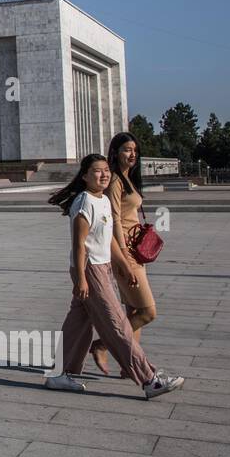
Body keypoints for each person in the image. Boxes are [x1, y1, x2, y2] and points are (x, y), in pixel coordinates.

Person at [44, 153, 184, 400]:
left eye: (106, 170)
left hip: (103, 267)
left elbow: (107, 239)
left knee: (77, 324)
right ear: (85, 175)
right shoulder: (84, 202)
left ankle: (58, 374)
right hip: (90, 269)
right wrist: (81, 279)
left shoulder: (103, 201)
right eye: (97, 171)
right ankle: (149, 379)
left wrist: (125, 266)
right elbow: (79, 245)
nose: (104, 174)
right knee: (117, 324)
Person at [89, 132, 157, 376]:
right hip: (125, 254)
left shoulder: (128, 179)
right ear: (115, 152)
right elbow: (114, 220)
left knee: (134, 312)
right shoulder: (116, 180)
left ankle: (130, 365)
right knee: (149, 312)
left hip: (135, 253)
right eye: (127, 149)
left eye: (135, 150)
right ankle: (101, 345)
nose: (132, 154)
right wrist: (125, 257)